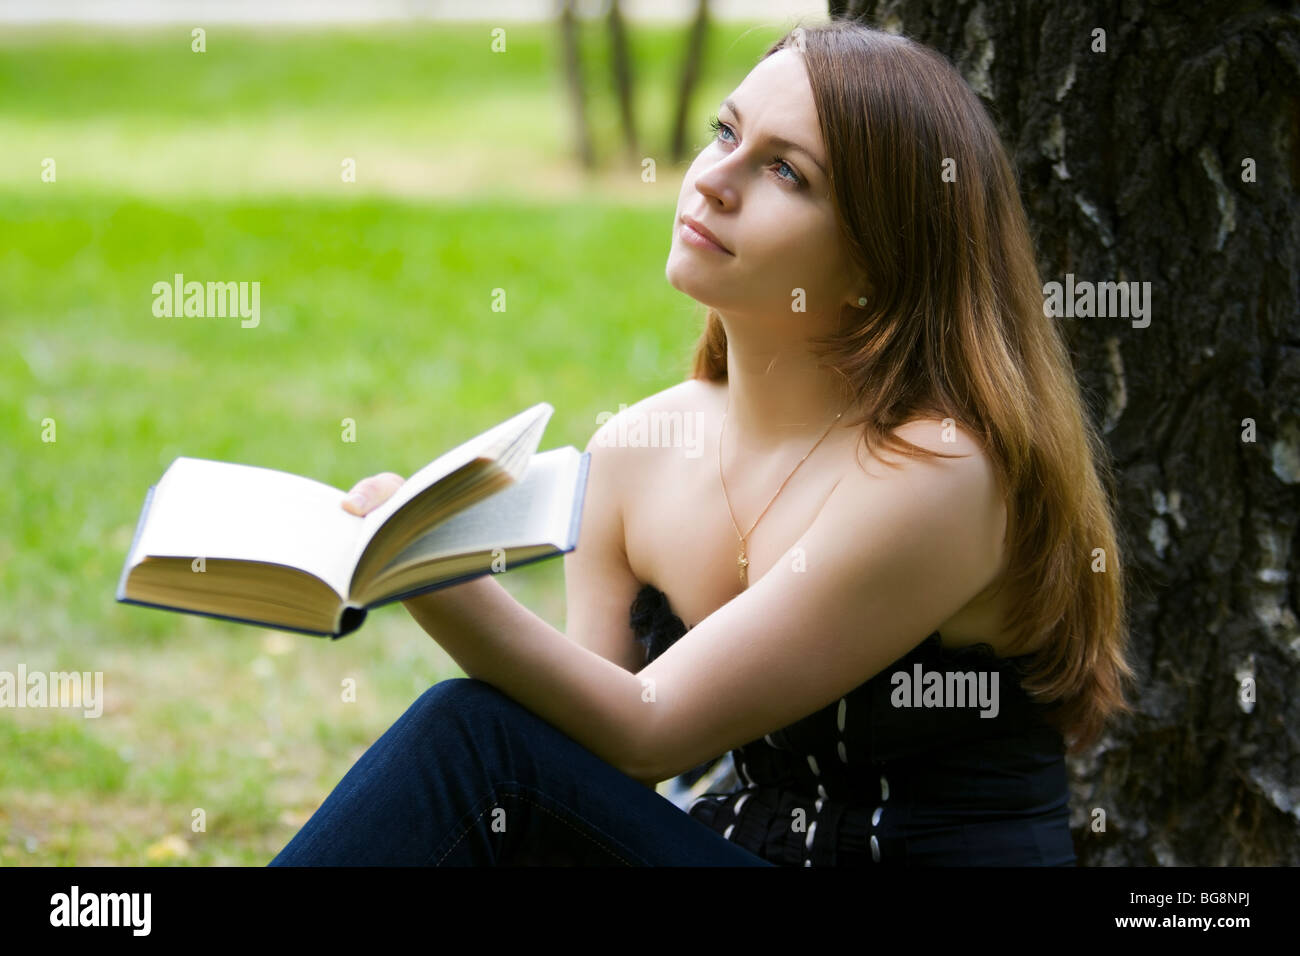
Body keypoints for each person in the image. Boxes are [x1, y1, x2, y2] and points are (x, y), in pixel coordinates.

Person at [269, 18, 1135, 867]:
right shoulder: (638, 449)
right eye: (725, 131)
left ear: (882, 258)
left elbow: (647, 729)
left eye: (785, 172)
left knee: (470, 738)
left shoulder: (940, 471)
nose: (715, 179)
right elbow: (585, 762)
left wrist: (436, 580)